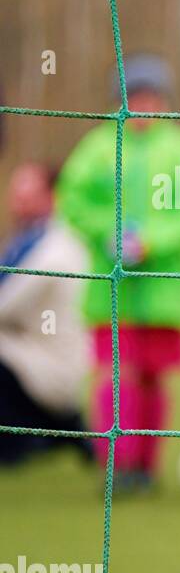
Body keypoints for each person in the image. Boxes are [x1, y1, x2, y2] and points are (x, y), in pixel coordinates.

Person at [57, 55, 180, 491]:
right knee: (116, 369)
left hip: (163, 287)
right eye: (135, 95)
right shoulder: (97, 147)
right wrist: (108, 233)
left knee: (151, 374)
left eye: (152, 96)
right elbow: (73, 199)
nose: (144, 105)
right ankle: (116, 462)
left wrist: (153, 241)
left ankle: (146, 463)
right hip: (112, 285)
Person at [0, 163, 92, 465]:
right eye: (16, 195)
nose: (17, 203)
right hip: (33, 355)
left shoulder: (54, 248)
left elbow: (6, 303)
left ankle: (26, 439)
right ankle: (57, 430)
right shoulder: (31, 240)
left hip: (51, 370)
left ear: (52, 197)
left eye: (27, 195)